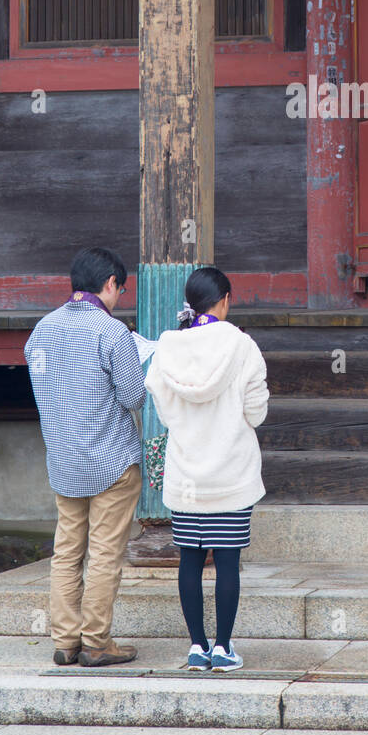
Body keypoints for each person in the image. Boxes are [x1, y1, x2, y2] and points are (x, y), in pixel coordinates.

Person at [24, 246, 146, 668]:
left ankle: (65, 641)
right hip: (110, 459)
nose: (120, 297)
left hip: (63, 460)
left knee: (67, 550)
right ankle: (96, 641)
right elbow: (134, 397)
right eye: (120, 288)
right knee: (105, 552)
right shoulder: (111, 332)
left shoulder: (40, 330)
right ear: (110, 283)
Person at [144, 266, 269, 671]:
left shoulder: (169, 348)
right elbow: (256, 411)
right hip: (231, 473)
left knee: (191, 560)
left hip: (188, 475)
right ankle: (223, 647)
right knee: (228, 561)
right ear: (226, 299)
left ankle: (196, 646)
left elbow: (163, 410)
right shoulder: (243, 346)